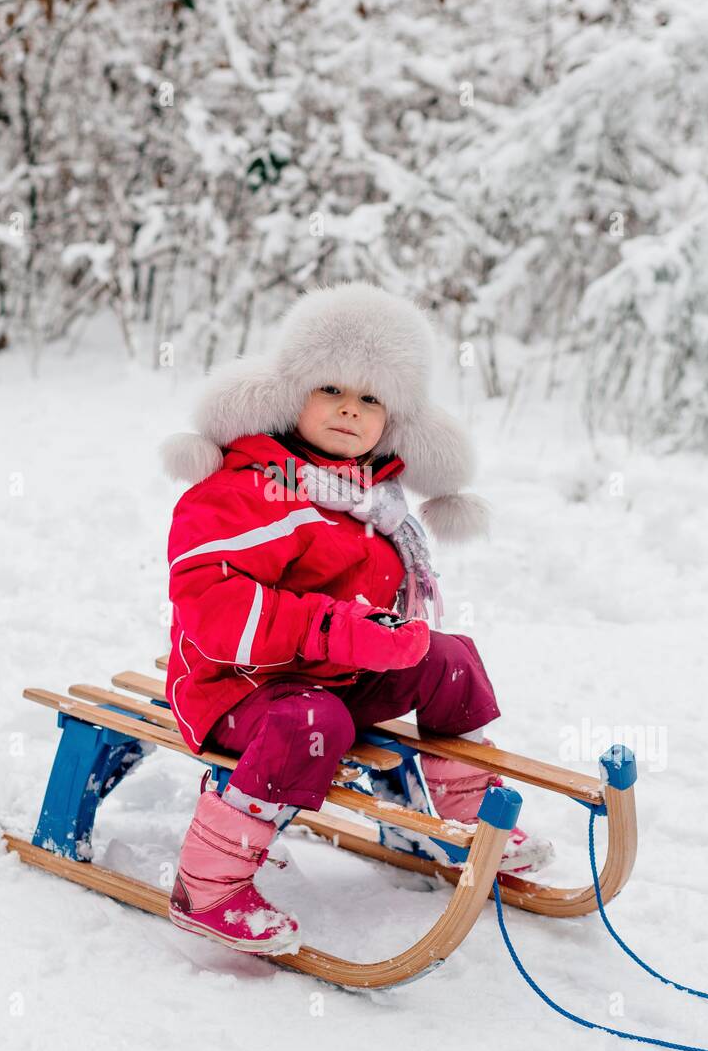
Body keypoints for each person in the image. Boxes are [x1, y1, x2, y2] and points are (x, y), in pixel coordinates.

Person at [160, 280, 554, 955]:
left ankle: (467, 824)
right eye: (332, 390)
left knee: (448, 658)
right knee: (314, 721)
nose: (350, 410)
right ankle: (210, 886)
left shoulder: (376, 502)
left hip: (335, 673)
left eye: (370, 398)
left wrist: (385, 638)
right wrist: (334, 631)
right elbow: (208, 600)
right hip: (237, 686)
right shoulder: (254, 482)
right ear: (293, 393)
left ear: (393, 417)